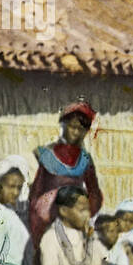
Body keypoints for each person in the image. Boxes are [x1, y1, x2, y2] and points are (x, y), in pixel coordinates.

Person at [28, 101, 101, 246]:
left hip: (73, 218)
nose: (76, 132)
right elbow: (37, 188)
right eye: (73, 127)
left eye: (81, 129)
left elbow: (94, 192)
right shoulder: (46, 154)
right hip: (45, 218)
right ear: (64, 125)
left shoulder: (85, 159)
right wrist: (37, 217)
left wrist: (85, 215)